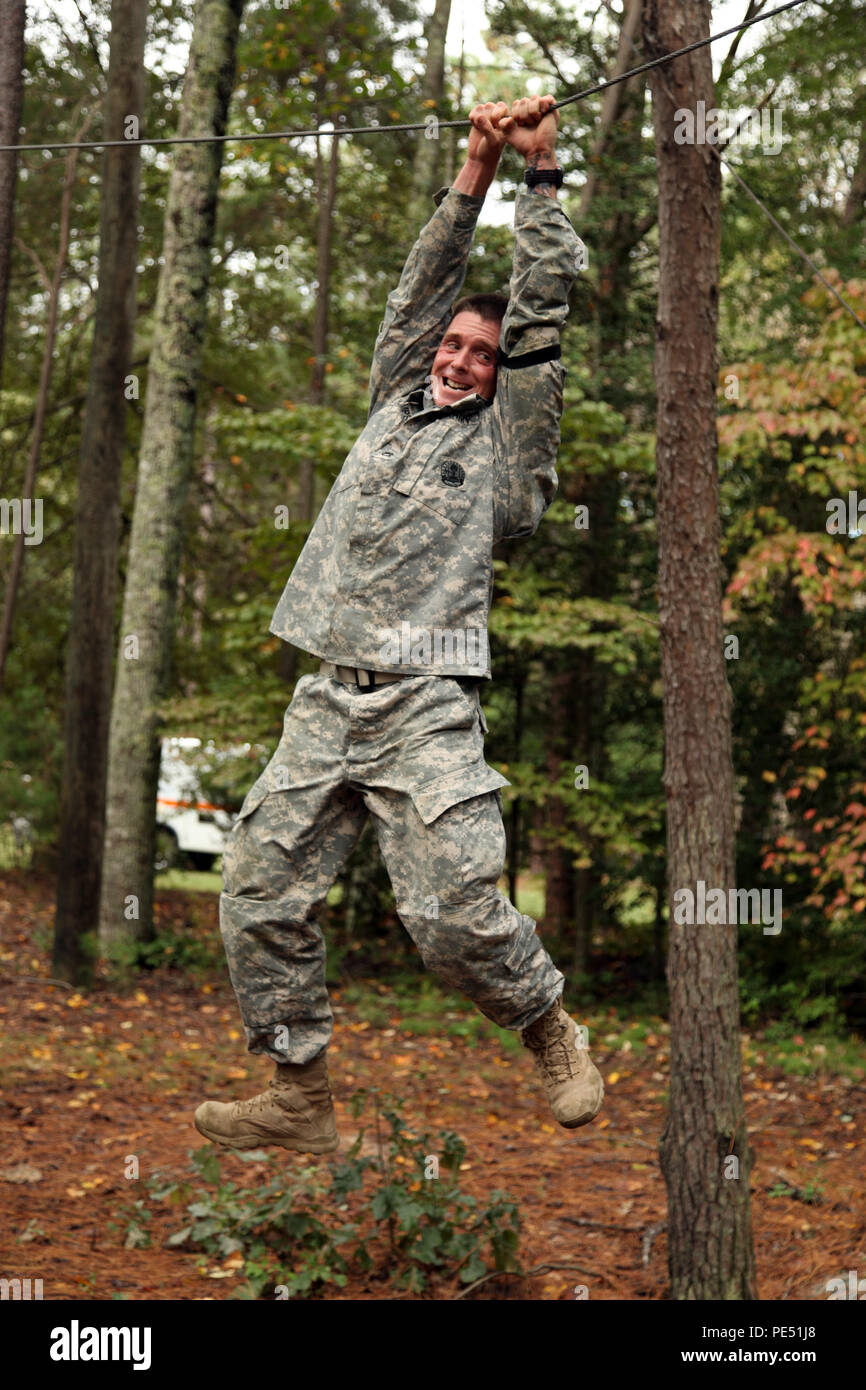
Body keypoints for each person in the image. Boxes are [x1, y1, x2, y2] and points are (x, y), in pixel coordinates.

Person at [194, 96, 604, 1155]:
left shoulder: (511, 455)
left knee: (452, 918)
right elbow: (418, 290)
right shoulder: (392, 398)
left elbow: (543, 311)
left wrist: (539, 169)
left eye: (481, 351)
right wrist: (471, 167)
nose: (461, 359)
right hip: (329, 694)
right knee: (253, 890)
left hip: (424, 706)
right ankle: (297, 1093)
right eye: (455, 346)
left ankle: (547, 1025)